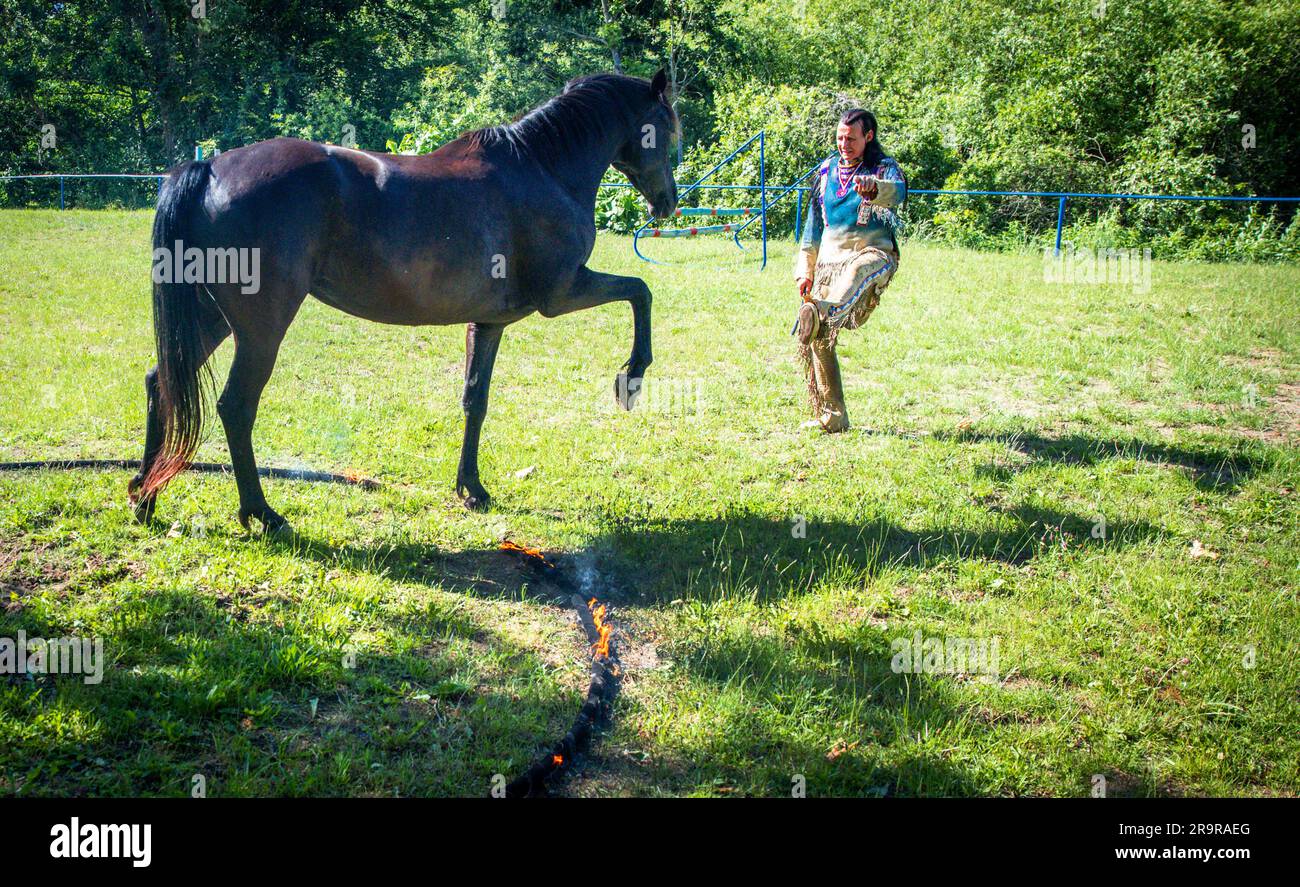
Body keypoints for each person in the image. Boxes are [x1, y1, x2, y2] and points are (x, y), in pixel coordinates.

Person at [793, 109, 906, 432]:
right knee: (818, 335)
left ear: (868, 136)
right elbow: (813, 226)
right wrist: (806, 269)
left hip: (874, 254)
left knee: (857, 271)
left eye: (851, 138)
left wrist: (875, 188)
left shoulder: (883, 169)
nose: (845, 144)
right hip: (830, 263)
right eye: (840, 138)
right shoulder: (826, 171)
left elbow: (897, 192)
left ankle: (824, 309)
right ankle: (833, 415)